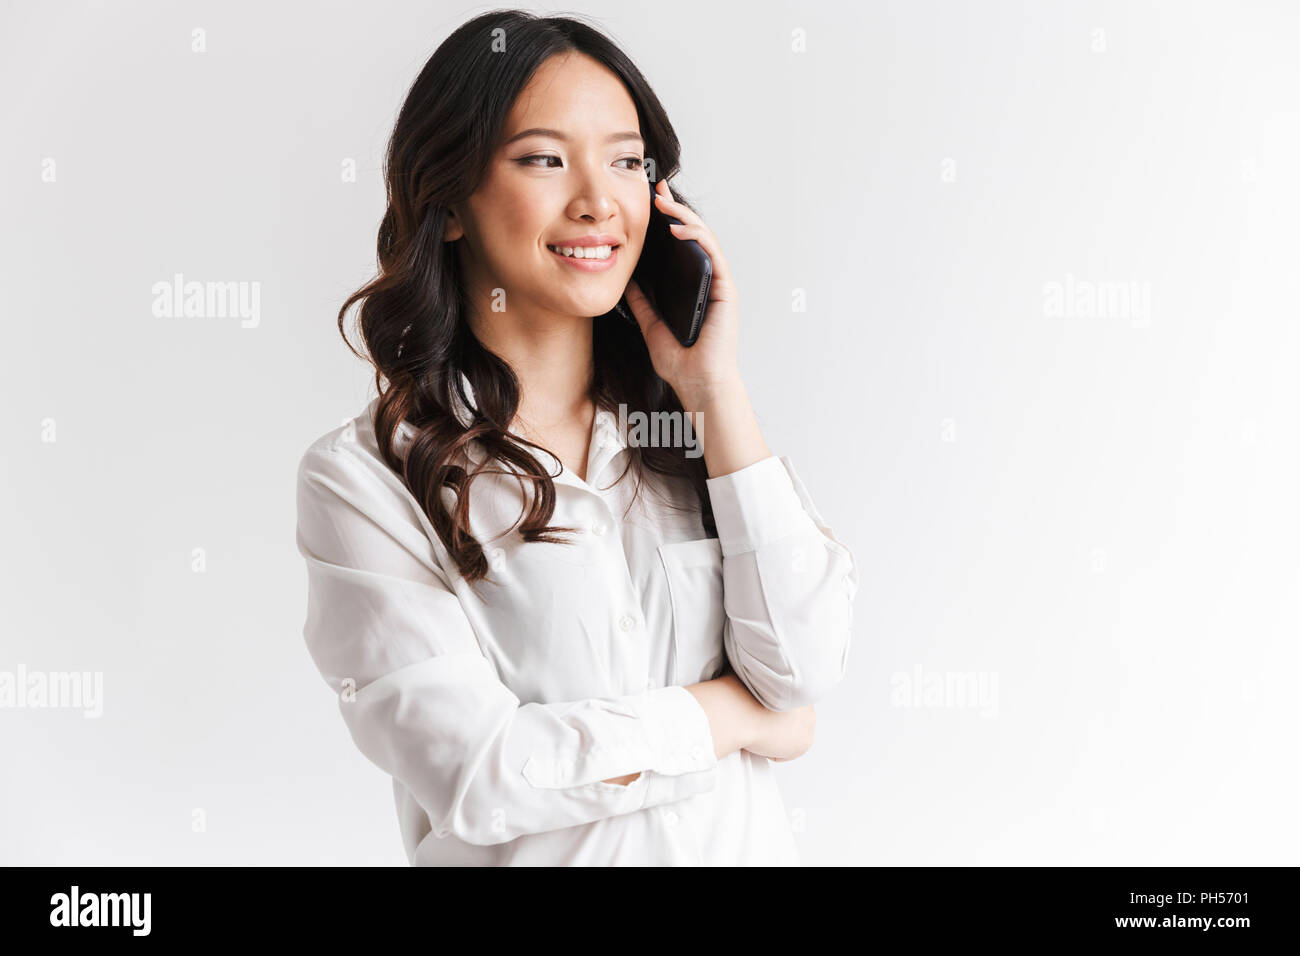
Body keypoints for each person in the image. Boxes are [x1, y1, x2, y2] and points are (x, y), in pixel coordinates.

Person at [294, 9, 859, 866]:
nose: (599, 201)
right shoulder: (368, 478)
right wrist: (728, 718)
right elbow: (480, 775)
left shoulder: (685, 433)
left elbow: (805, 667)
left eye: (628, 161)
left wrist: (714, 390)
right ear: (449, 202)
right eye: (544, 159)